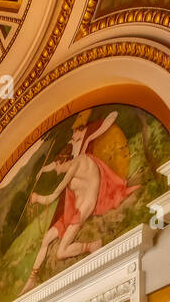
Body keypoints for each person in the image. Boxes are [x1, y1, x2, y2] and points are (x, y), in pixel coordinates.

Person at [22, 111, 138, 291]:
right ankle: (31, 280)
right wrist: (42, 170)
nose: (56, 170)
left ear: (62, 162)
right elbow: (57, 168)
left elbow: (54, 195)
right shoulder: (73, 160)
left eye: (56, 167)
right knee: (46, 239)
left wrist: (37, 198)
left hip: (83, 208)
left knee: (61, 252)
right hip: (72, 210)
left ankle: (92, 246)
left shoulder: (75, 165)